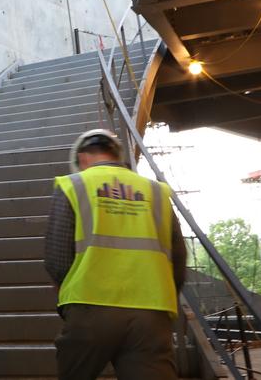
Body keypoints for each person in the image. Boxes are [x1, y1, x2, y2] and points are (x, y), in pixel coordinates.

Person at [45, 128, 188, 380]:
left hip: (89, 305)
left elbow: (57, 258)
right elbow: (178, 256)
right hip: (151, 312)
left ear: (82, 159)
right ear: (117, 155)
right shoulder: (156, 191)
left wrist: (67, 297)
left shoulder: (74, 185)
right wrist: (165, 298)